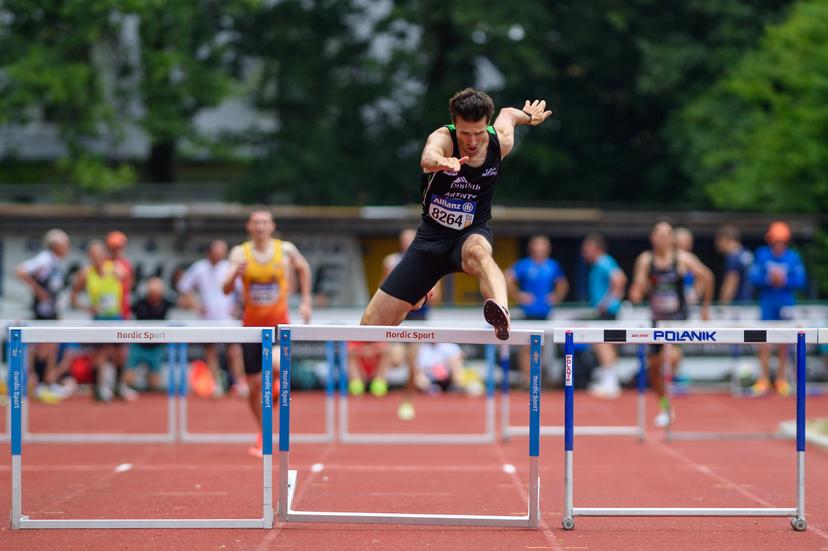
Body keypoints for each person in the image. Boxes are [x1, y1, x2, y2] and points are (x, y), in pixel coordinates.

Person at [360, 88, 552, 342]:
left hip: (470, 233)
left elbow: (508, 114)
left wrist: (528, 116)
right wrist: (441, 161)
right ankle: (419, 294)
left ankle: (501, 312)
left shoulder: (500, 140)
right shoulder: (443, 138)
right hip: (430, 241)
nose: (472, 142)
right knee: (367, 330)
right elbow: (428, 156)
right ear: (454, 124)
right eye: (464, 134)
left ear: (487, 125)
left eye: (478, 133)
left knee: (478, 253)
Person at [223, 208, 312, 457]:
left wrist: (306, 301)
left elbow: (304, 268)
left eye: (264, 222)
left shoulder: (285, 249)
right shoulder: (240, 252)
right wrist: (233, 274)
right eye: (256, 222)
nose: (260, 226)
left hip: (279, 325)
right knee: (252, 387)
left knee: (273, 367)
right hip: (251, 326)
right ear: (249, 227)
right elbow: (225, 289)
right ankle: (264, 432)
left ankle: (272, 388)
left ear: (272, 226)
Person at [629, 221, 714, 427]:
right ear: (653, 238)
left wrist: (704, 306)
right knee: (653, 370)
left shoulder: (682, 259)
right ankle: (666, 407)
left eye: (666, 234)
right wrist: (637, 291)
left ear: (671, 238)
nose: (662, 237)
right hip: (656, 320)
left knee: (671, 360)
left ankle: (672, 376)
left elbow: (707, 277)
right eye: (658, 233)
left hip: (678, 320)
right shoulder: (646, 260)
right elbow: (639, 282)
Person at [177, 240, 247, 397]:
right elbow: (184, 287)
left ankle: (240, 384)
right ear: (210, 252)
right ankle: (216, 385)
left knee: (234, 351)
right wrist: (196, 305)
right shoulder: (199, 268)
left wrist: (238, 308)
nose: (219, 255)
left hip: (228, 319)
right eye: (216, 251)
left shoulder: (228, 268)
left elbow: (242, 291)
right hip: (208, 320)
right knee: (210, 352)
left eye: (222, 252)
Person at [70, 240, 136, 402]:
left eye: (99, 254)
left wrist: (120, 275)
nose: (96, 258)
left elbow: (128, 280)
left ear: (104, 255)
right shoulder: (86, 273)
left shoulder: (114, 268)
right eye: (92, 255)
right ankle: (100, 388)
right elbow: (73, 296)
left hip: (116, 317)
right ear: (89, 257)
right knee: (100, 353)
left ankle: (118, 386)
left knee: (120, 354)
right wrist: (86, 307)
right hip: (99, 318)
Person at [748, 221, 806, 396]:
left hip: (786, 302)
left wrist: (784, 280)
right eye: (775, 241)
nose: (778, 244)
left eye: (781, 241)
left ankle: (781, 379)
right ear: (770, 241)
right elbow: (753, 276)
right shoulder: (762, 254)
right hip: (767, 302)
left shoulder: (793, 256)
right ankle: (764, 379)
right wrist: (769, 279)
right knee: (763, 342)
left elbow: (801, 280)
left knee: (785, 341)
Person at [15, 229, 72, 403]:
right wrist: (38, 291)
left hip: (51, 311)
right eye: (65, 244)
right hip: (42, 312)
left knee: (52, 347)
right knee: (42, 348)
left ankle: (47, 382)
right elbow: (21, 271)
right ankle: (39, 383)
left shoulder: (55, 261)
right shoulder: (45, 259)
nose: (68, 248)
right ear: (57, 245)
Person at [506, 235, 568, 383]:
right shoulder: (524, 265)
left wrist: (557, 296)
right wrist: (518, 295)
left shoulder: (552, 265)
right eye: (537, 245)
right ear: (532, 248)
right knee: (527, 348)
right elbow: (506, 277)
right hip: (528, 314)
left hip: (545, 313)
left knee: (541, 348)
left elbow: (563, 283)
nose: (540, 249)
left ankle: (537, 380)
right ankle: (528, 381)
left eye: (543, 246)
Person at [581, 233, 627, 398]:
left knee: (602, 344)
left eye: (587, 248)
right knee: (607, 345)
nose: (584, 251)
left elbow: (619, 279)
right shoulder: (601, 263)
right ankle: (611, 380)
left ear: (596, 248)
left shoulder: (603, 262)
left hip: (608, 310)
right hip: (608, 310)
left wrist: (607, 301)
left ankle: (611, 383)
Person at [128, 277, 176, 391]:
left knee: (154, 386)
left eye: (157, 292)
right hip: (138, 345)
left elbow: (182, 302)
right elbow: (127, 311)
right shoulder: (140, 303)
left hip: (156, 347)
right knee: (128, 380)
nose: (154, 295)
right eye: (152, 292)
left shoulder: (166, 302)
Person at [715, 225, 754, 304]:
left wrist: (722, 305)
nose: (717, 244)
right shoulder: (747, 253)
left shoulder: (733, 258)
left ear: (725, 239)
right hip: (750, 303)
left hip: (737, 307)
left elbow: (730, 287)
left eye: (718, 240)